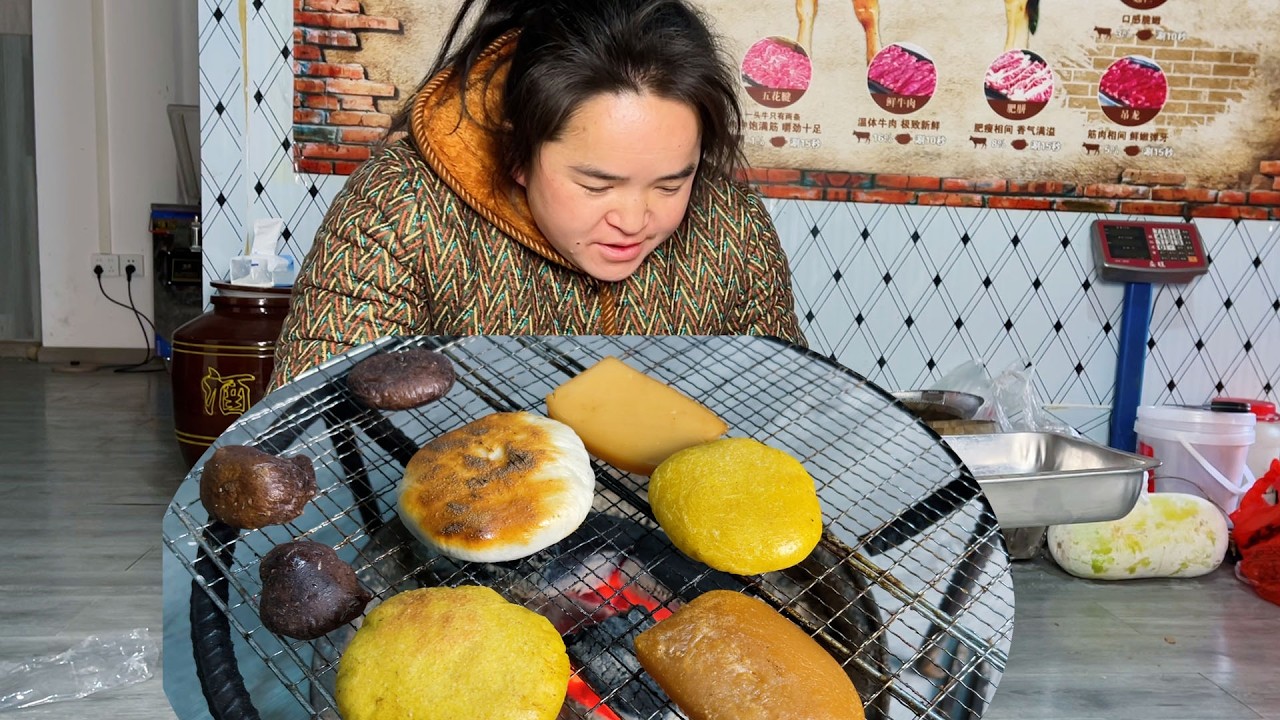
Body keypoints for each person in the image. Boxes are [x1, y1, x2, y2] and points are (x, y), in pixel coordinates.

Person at [270, 0, 806, 388]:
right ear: (518, 155)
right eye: (597, 184)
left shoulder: (731, 221)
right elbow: (318, 428)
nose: (636, 219)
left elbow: (786, 406)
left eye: (671, 183)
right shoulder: (397, 209)